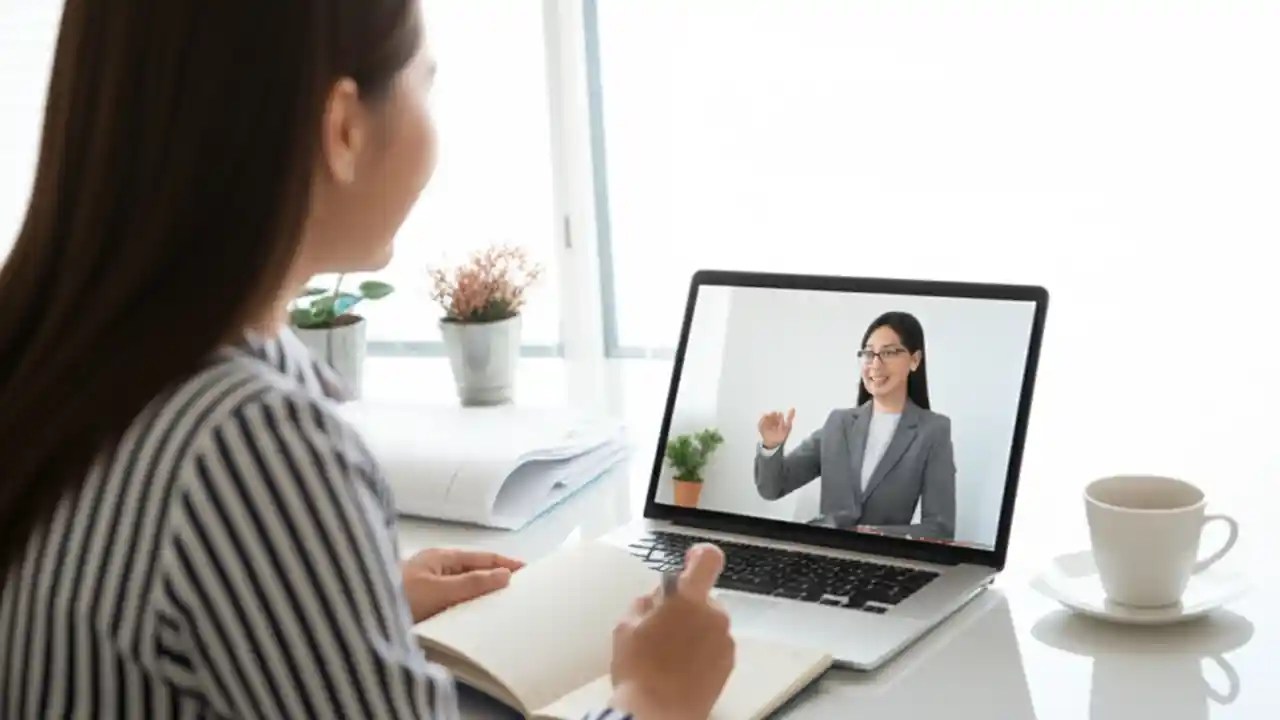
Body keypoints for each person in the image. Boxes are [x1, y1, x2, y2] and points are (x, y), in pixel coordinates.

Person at [0, 1, 733, 718]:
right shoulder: (254, 445)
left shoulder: (72, 363)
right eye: (426, 83)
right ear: (345, 128)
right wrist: (654, 698)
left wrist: (343, 602)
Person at [753, 311, 956, 540]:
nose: (875, 364)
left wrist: (875, 535)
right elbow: (772, 488)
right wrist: (771, 446)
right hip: (823, 548)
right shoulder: (839, 423)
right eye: (869, 353)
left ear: (914, 360)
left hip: (880, 555)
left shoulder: (933, 430)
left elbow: (940, 528)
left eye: (888, 353)